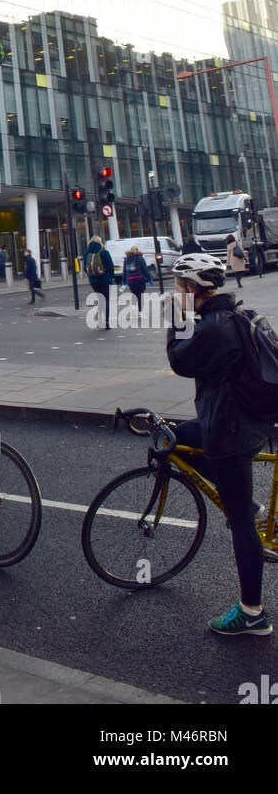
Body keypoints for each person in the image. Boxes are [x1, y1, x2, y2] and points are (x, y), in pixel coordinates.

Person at [167, 252, 273, 636]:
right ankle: (245, 501)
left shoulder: (212, 328)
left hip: (229, 432)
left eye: (178, 288)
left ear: (193, 289)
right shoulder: (235, 315)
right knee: (169, 436)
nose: (175, 293)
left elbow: (178, 361)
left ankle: (252, 613)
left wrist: (177, 318)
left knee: (241, 522)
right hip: (246, 421)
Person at [86, 235, 115, 329]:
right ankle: (107, 321)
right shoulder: (104, 252)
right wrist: (111, 277)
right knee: (106, 300)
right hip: (105, 279)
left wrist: (91, 276)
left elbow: (84, 268)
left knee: (100, 300)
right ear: (100, 242)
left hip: (93, 280)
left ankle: (99, 321)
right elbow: (110, 266)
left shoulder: (87, 253)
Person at [121, 245, 152, 313]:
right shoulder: (140, 258)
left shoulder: (126, 259)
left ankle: (133, 306)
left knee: (134, 294)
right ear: (137, 250)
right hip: (139, 279)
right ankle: (140, 311)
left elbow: (124, 271)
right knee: (140, 295)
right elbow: (145, 269)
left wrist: (123, 281)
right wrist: (150, 279)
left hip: (130, 280)